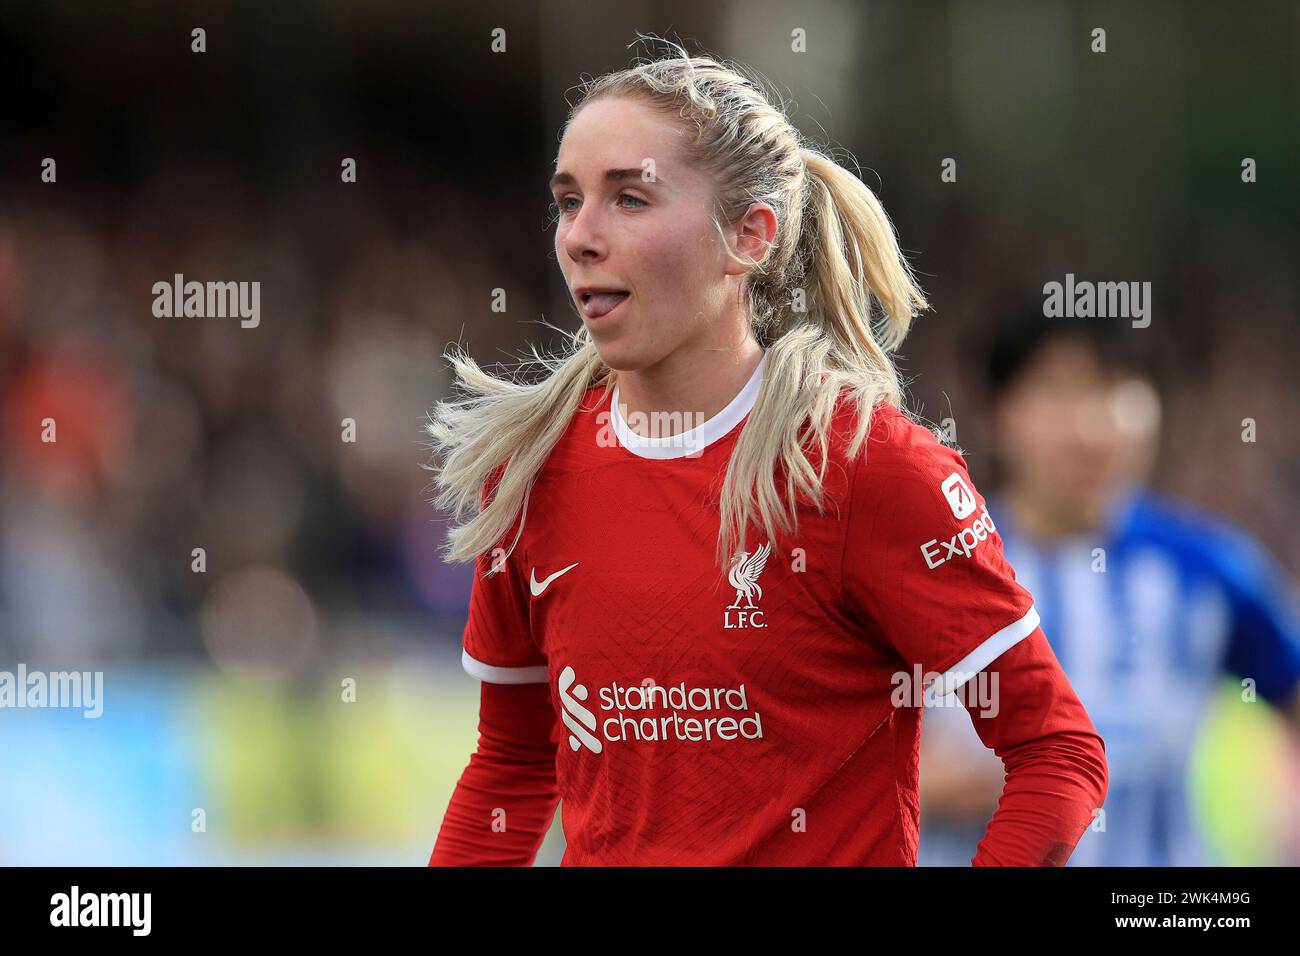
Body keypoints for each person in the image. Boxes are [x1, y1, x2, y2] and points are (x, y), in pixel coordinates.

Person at [425, 45, 1107, 866]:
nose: (579, 237)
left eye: (629, 199)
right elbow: (512, 768)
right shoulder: (529, 471)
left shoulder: (867, 467)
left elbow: (1058, 753)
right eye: (568, 201)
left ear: (748, 236)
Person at [918, 305, 1300, 866]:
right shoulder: (933, 562)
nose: (1089, 427)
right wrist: (920, 783)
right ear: (996, 413)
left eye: (1116, 389)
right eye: (1055, 390)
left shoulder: (1210, 569)